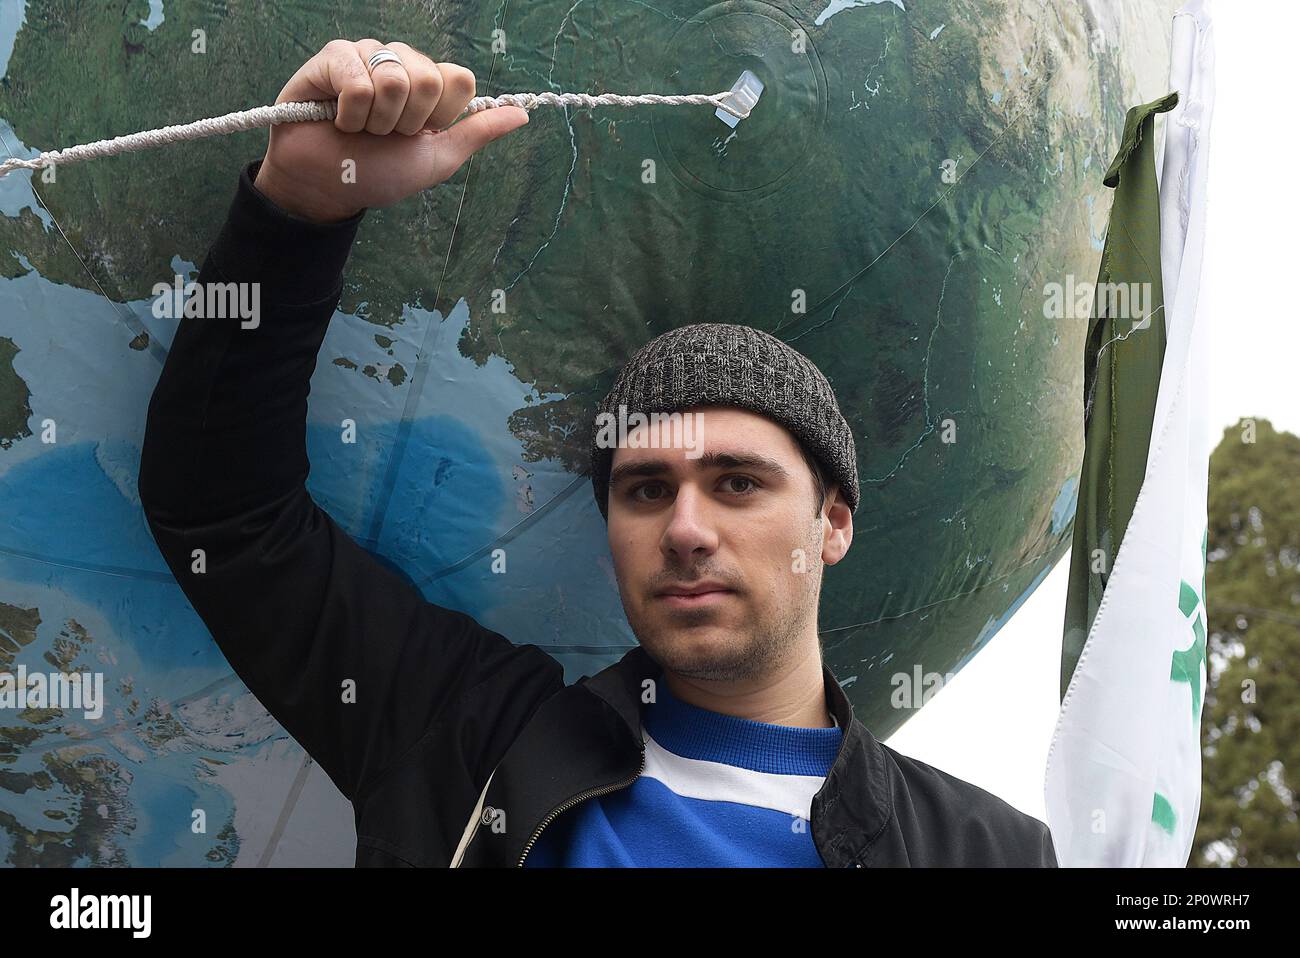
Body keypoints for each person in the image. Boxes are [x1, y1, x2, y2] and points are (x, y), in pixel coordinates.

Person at [138, 38, 1057, 867]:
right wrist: (299, 207)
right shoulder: (470, 740)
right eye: (646, 490)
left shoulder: (987, 851)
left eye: (739, 483)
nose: (686, 529)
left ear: (833, 523)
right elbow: (227, 515)